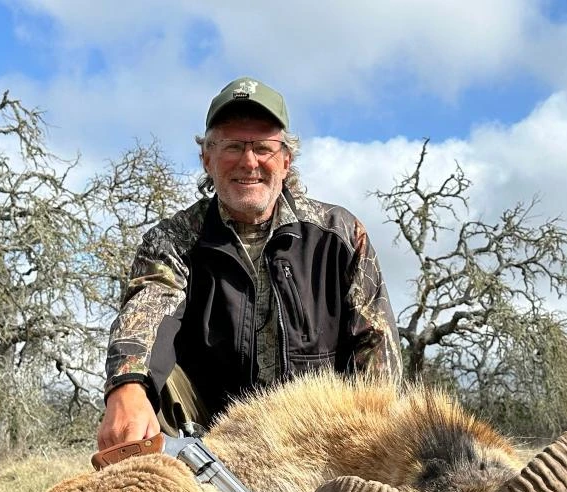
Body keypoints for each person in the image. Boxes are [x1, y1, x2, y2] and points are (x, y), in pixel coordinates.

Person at [97, 77, 402, 451]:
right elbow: (146, 310)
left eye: (263, 148)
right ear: (206, 159)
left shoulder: (341, 235)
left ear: (286, 161)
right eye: (232, 147)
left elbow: (375, 355)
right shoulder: (172, 241)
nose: (249, 161)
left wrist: (369, 451)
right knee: (144, 392)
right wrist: (127, 387)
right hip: (210, 434)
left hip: (320, 438)